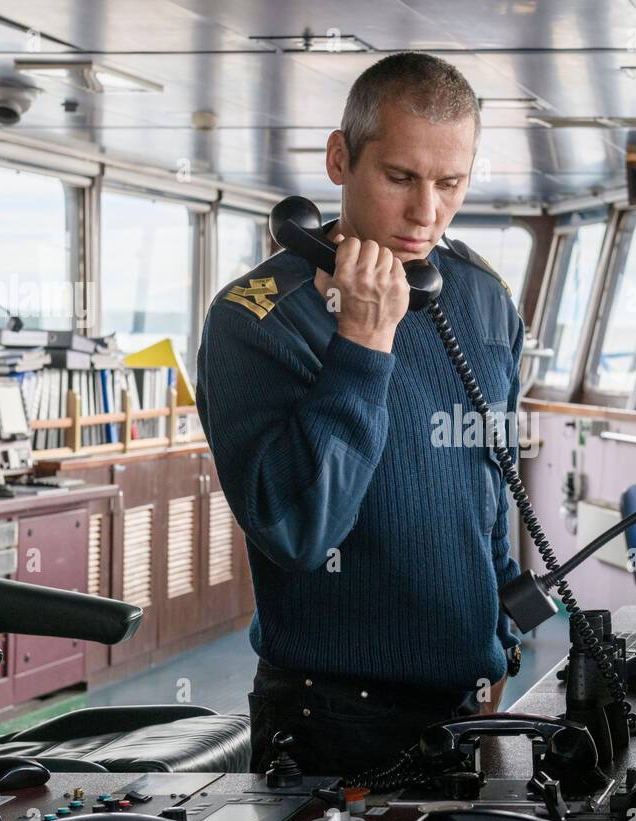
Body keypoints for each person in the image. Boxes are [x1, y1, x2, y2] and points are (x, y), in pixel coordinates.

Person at [196, 52, 525, 776]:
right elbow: (298, 528)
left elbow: (489, 487)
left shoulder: (481, 296)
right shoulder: (256, 319)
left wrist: (502, 630)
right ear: (341, 158)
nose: (426, 213)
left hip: (469, 702)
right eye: (401, 178)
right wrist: (364, 341)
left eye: (451, 183)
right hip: (334, 718)